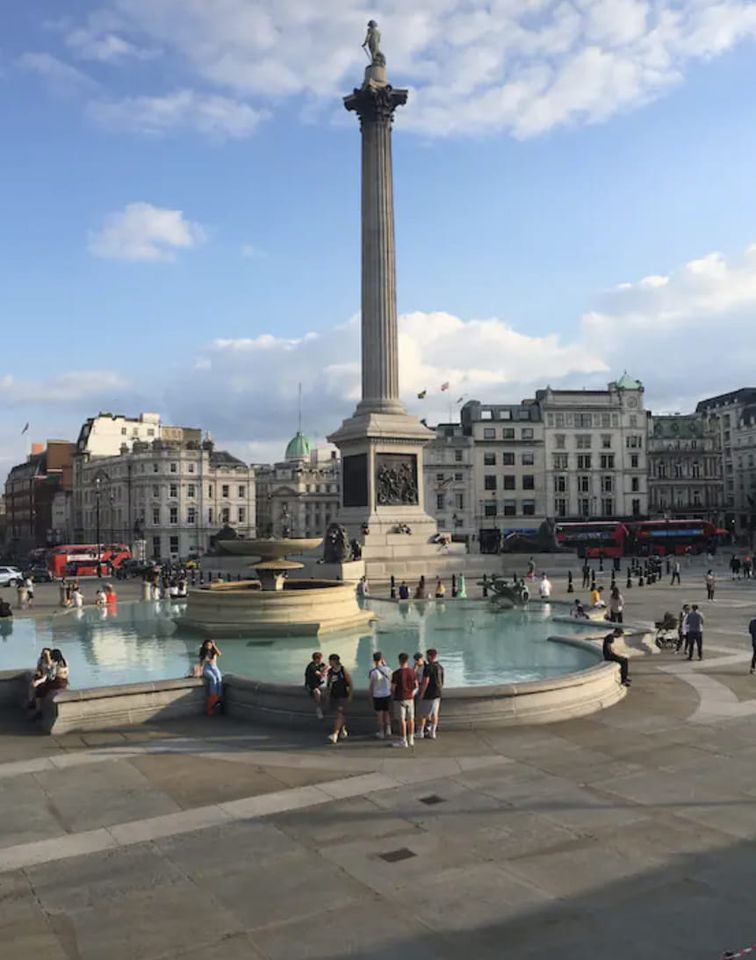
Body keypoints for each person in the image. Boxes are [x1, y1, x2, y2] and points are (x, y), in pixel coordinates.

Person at [391, 652, 418, 748]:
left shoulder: (396, 673)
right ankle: (411, 739)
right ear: (407, 660)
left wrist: (393, 695)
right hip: (410, 698)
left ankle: (403, 740)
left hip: (399, 698)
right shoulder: (412, 672)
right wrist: (412, 694)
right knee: (411, 719)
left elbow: (393, 688)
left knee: (402, 720)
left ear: (399, 661)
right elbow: (416, 686)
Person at [416, 648, 444, 739]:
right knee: (434, 714)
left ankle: (420, 732)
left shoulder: (428, 667)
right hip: (438, 693)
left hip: (429, 693)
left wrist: (421, 693)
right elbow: (442, 681)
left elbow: (425, 681)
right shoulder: (440, 667)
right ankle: (433, 732)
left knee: (422, 714)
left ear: (429, 656)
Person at [326, 653, 352, 744]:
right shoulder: (330, 671)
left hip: (343, 695)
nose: (329, 662)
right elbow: (329, 684)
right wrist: (327, 695)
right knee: (339, 715)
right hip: (334, 695)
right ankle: (343, 730)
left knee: (339, 714)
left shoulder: (342, 670)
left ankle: (335, 734)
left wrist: (350, 695)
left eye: (330, 660)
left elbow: (350, 682)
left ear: (335, 661)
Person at [368, 651, 392, 739]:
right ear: (382, 659)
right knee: (387, 713)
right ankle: (389, 729)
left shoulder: (373, 672)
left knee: (380, 715)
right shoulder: (388, 669)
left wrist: (370, 697)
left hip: (377, 695)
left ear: (374, 660)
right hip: (387, 694)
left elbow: (371, 686)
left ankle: (381, 732)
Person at [199, 639, 223, 714]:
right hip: (207, 669)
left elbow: (219, 654)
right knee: (213, 678)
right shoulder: (203, 652)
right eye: (207, 645)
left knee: (219, 679)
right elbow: (201, 664)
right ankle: (213, 698)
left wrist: (214, 645)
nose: (208, 646)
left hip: (215, 668)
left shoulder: (214, 652)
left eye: (209, 645)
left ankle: (219, 697)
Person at [304, 651, 327, 720]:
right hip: (310, 685)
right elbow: (319, 674)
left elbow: (327, 669)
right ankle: (318, 709)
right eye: (319, 659)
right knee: (317, 693)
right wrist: (324, 671)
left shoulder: (321, 664)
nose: (321, 660)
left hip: (318, 684)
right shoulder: (311, 666)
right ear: (315, 659)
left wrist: (326, 669)